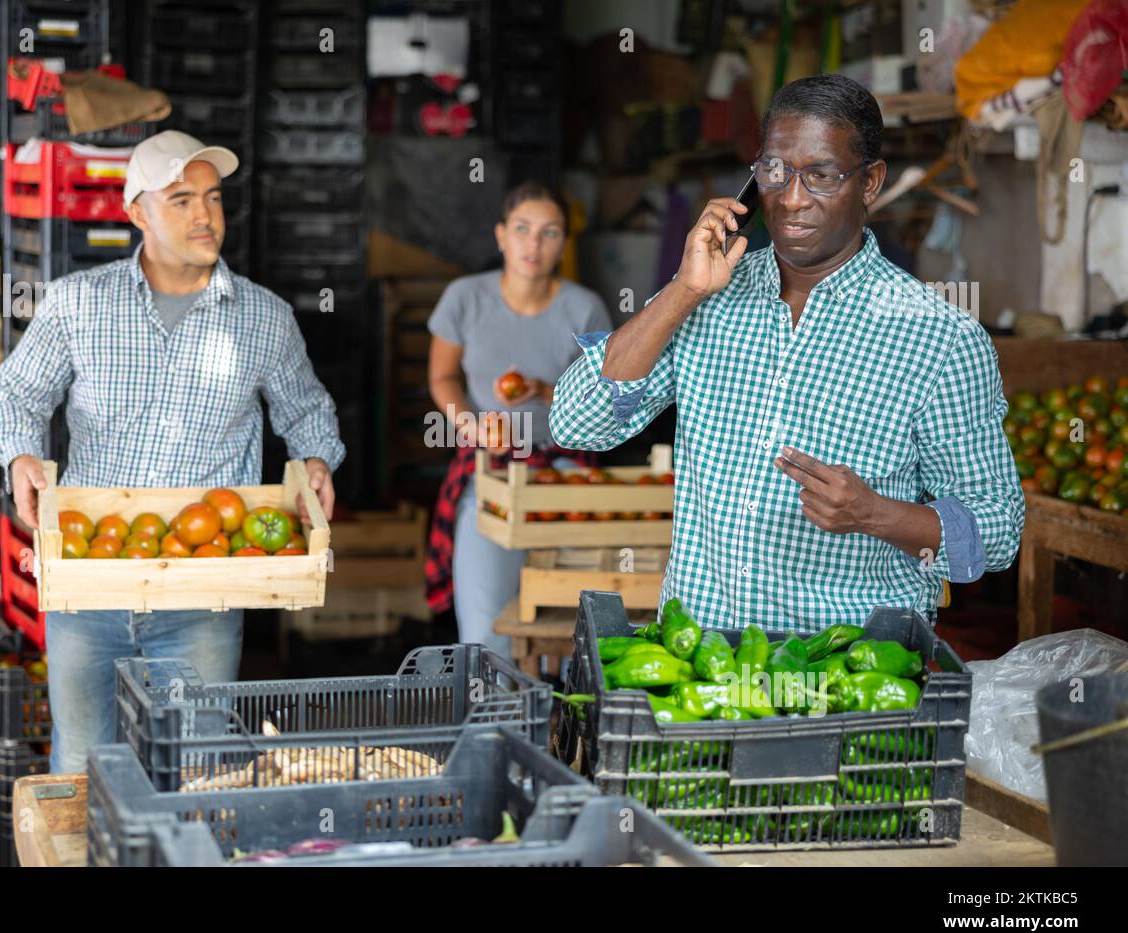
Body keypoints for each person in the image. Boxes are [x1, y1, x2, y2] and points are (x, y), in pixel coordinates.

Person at [551, 74, 1024, 631]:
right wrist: (683, 290)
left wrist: (875, 514)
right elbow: (576, 424)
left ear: (870, 182)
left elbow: (996, 533)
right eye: (774, 172)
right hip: (702, 665)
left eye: (822, 175)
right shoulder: (704, 296)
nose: (793, 198)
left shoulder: (940, 339)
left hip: (848, 676)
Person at [0, 130, 345, 773]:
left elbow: (308, 410)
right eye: (180, 200)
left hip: (203, 591)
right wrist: (20, 458)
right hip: (87, 580)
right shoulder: (78, 304)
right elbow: (17, 396)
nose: (204, 215)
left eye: (211, 198)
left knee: (199, 768)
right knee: (81, 764)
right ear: (137, 213)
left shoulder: (263, 318)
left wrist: (317, 460)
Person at [424, 183, 612, 660]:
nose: (534, 244)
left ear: (563, 244)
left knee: (575, 612)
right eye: (523, 230)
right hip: (491, 466)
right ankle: (494, 718)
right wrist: (469, 426)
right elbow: (443, 377)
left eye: (549, 233)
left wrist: (546, 392)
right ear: (501, 235)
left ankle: (564, 714)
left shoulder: (584, 307)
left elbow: (604, 401)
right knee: (485, 620)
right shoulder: (464, 298)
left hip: (562, 465)